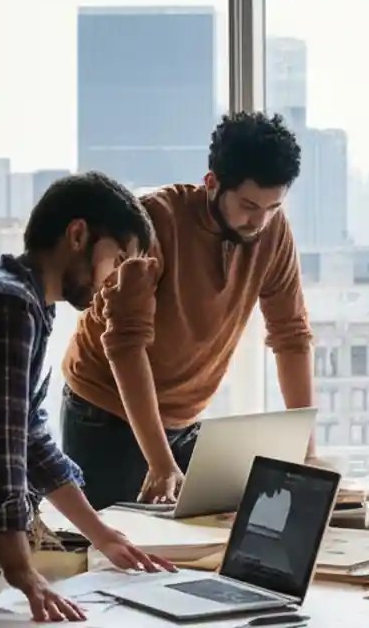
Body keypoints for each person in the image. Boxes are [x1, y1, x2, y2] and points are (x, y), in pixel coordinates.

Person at [60, 112, 316, 510]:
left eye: (273, 207)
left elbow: (292, 337)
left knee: (198, 542)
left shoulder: (273, 230)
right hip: (105, 412)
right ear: (211, 183)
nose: (260, 221)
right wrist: (161, 464)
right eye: (249, 205)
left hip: (182, 418)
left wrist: (308, 453)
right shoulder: (151, 224)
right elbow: (126, 347)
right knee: (113, 554)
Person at [0, 173, 176, 622]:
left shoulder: (28, 302)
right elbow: (1, 456)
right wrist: (23, 573)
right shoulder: (11, 306)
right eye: (116, 260)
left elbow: (31, 438)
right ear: (78, 235)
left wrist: (102, 534)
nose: (113, 281)